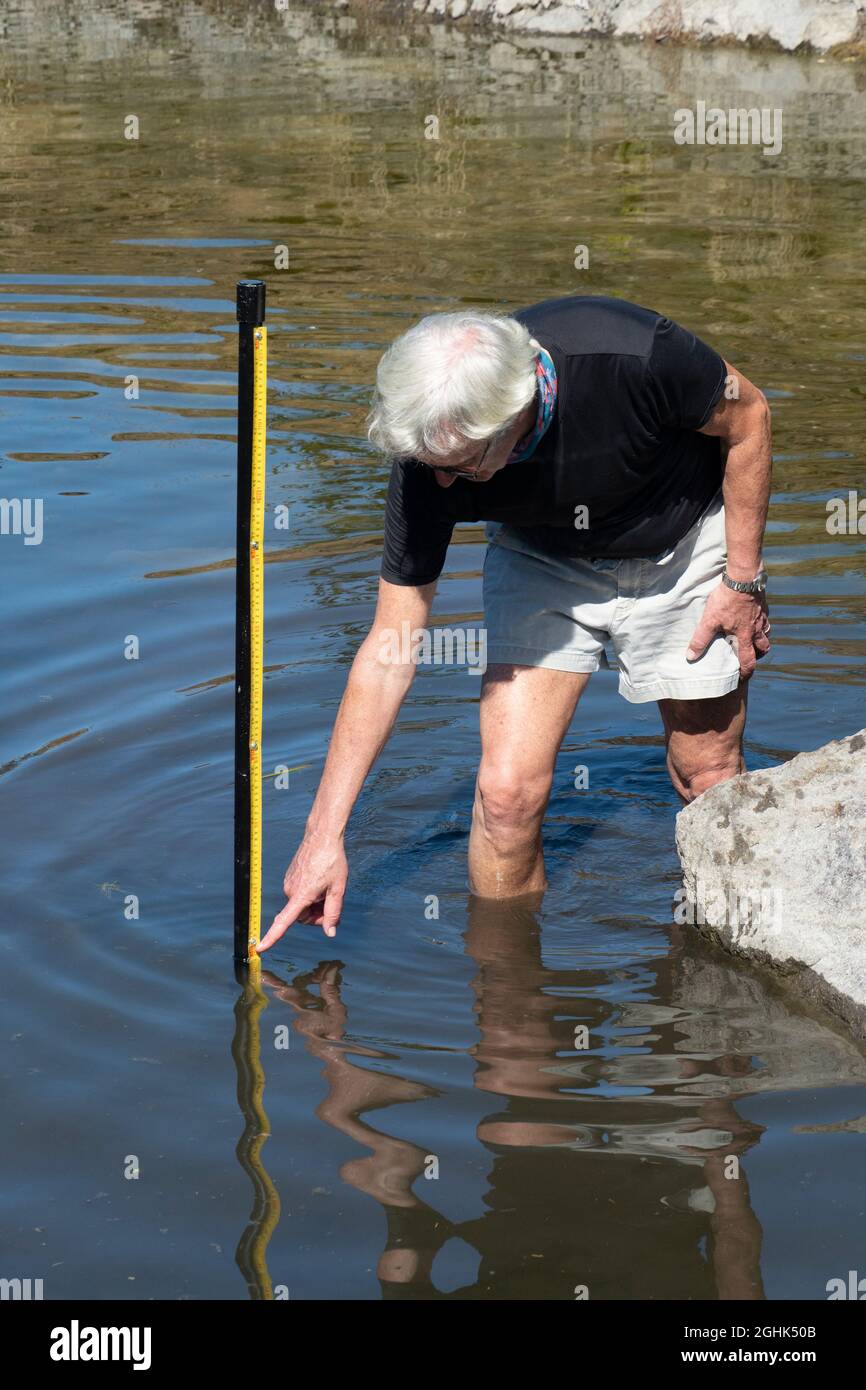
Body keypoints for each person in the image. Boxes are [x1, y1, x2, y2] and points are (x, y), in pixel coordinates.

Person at [257, 294, 771, 951]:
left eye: (462, 467)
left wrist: (742, 580)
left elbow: (749, 417)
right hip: (544, 555)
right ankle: (509, 1008)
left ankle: (727, 969)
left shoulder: (632, 355)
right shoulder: (430, 458)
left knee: (707, 776)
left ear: (517, 414)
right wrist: (321, 837)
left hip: (682, 540)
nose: (443, 486)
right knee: (504, 797)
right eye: (431, 467)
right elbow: (392, 647)